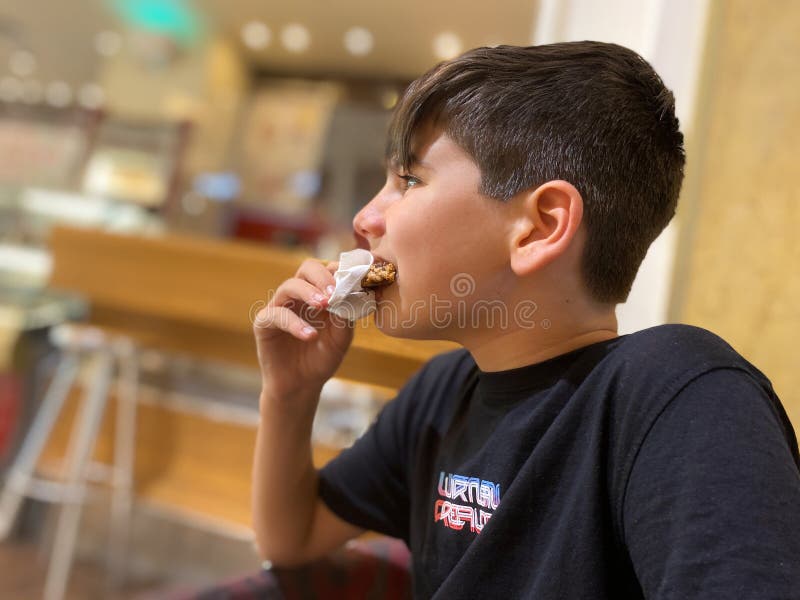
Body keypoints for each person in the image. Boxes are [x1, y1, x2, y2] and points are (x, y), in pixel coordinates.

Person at [251, 41, 800, 598]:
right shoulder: (440, 395)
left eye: (410, 181)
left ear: (539, 227)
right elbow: (291, 539)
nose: (365, 218)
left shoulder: (678, 395)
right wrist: (290, 394)